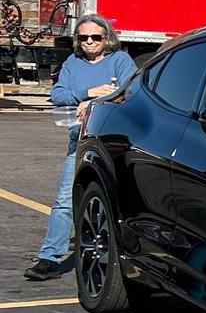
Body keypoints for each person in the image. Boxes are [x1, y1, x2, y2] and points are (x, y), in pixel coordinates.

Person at [24, 14, 137, 281]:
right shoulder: (72, 63)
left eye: (95, 37)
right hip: (80, 141)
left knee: (124, 198)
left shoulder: (120, 61)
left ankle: (130, 253)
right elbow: (58, 94)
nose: (89, 41)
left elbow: (130, 91)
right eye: (83, 37)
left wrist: (100, 99)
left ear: (106, 38)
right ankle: (49, 259)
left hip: (114, 142)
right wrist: (87, 93)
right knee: (64, 200)